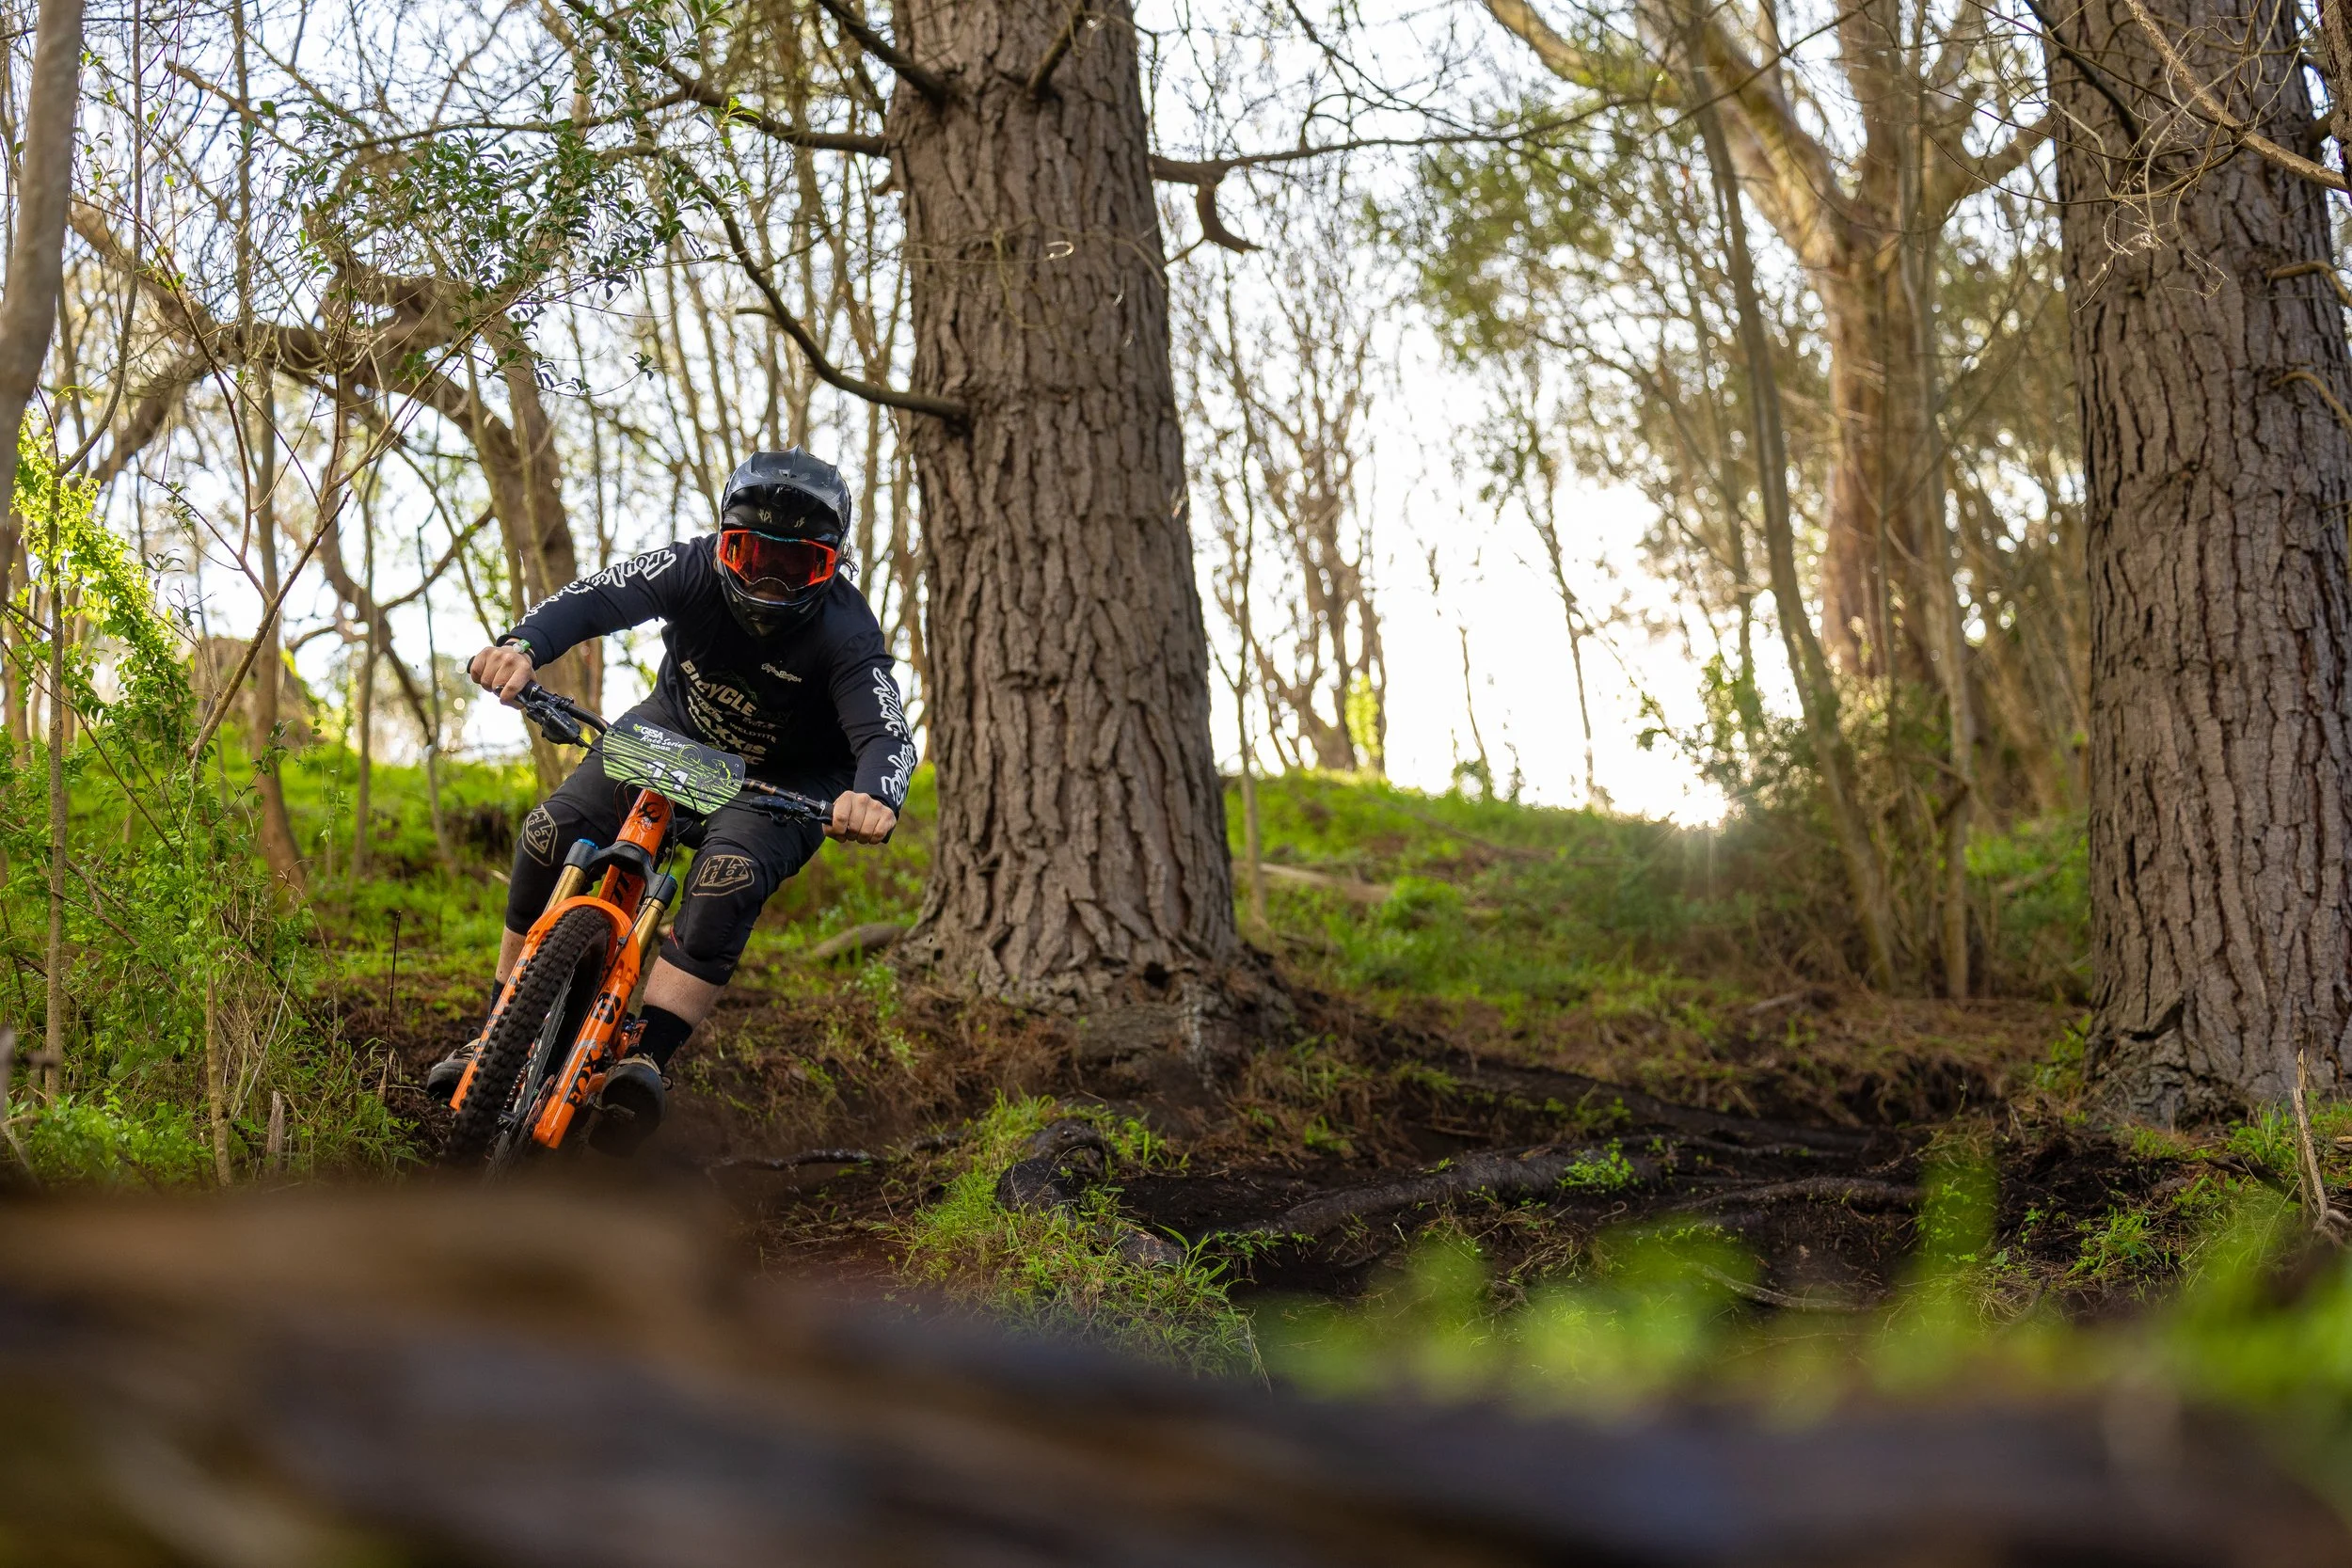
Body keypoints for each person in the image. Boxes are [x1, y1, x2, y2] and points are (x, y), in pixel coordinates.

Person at [425, 449, 917, 1154]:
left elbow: (886, 733)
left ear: (831, 566)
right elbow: (596, 596)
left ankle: (645, 1055)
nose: (769, 579)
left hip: (788, 778)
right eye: (750, 553)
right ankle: (497, 1027)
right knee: (545, 833)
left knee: (728, 878)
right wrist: (523, 644)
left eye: (797, 564)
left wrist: (871, 796)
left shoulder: (849, 631)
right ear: (723, 542)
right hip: (673, 732)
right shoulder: (688, 567)